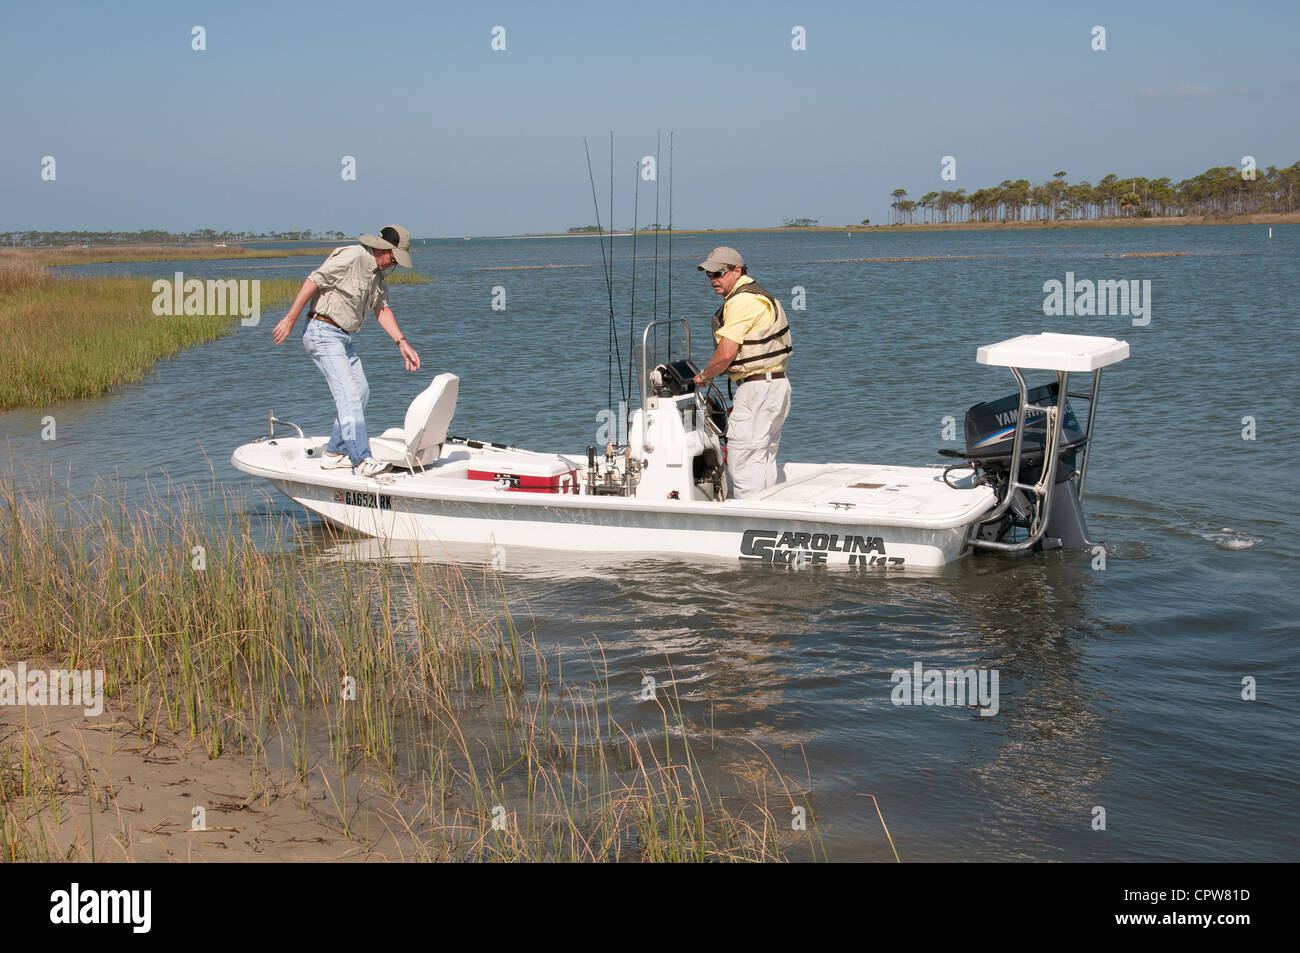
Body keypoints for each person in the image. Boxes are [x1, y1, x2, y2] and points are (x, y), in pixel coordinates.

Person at [271, 225, 420, 477]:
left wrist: (402, 343)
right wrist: (289, 319)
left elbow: (381, 309)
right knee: (348, 395)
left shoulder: (379, 276)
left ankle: (334, 453)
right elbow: (313, 281)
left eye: (396, 262)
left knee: (361, 391)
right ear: (382, 248)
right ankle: (361, 460)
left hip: (342, 337)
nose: (392, 265)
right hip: (322, 331)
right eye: (392, 258)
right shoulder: (353, 256)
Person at [692, 246, 792, 499]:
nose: (713, 280)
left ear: (737, 270)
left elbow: (726, 353)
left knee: (742, 460)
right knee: (762, 456)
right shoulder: (758, 294)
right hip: (776, 386)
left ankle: (748, 520)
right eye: (709, 275)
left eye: (719, 273)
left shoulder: (741, 301)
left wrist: (705, 376)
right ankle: (767, 512)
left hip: (757, 390)